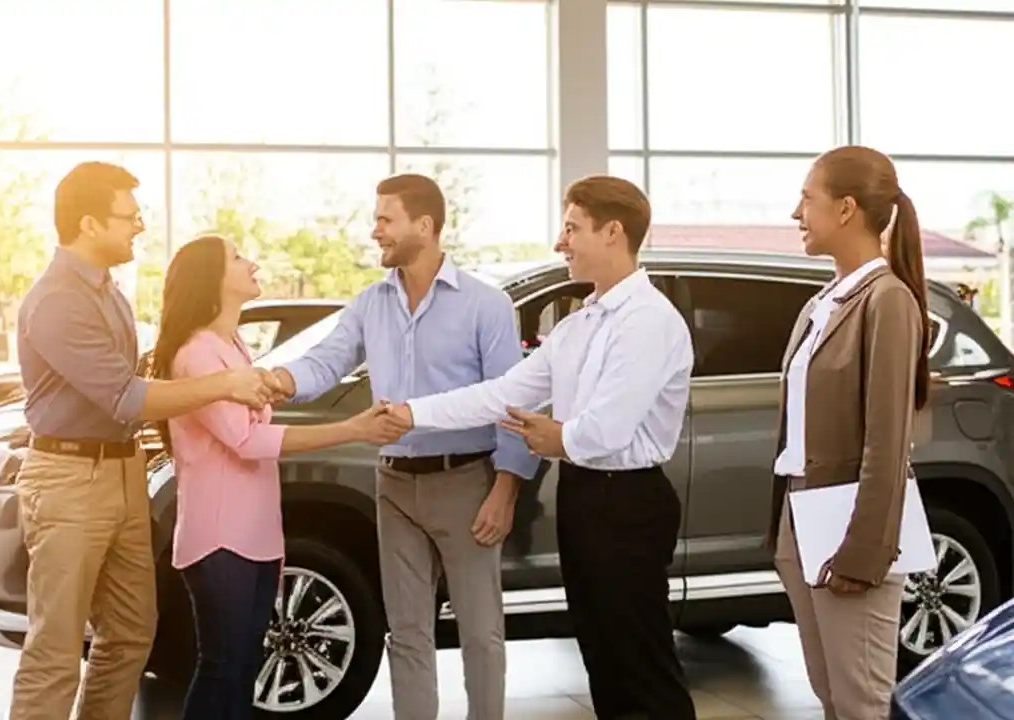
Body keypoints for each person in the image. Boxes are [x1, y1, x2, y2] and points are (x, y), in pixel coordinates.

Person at [382, 175, 698, 720]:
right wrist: (412, 413)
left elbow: (607, 431)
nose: (560, 242)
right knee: (604, 660)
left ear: (612, 232)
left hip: (628, 502)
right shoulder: (579, 326)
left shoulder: (649, 321)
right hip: (583, 496)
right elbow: (501, 394)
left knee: (640, 662)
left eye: (572, 228)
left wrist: (557, 437)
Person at [8, 162, 280, 720]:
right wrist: (225, 384)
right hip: (68, 481)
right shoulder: (58, 300)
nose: (139, 225)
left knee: (131, 633)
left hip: (123, 472)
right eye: (128, 216)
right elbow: (126, 397)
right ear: (88, 224)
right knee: (56, 652)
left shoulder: (110, 293)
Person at [270, 174, 539, 719]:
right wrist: (274, 380)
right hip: (394, 484)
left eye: (385, 219)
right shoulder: (371, 303)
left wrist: (506, 490)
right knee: (407, 631)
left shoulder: (485, 305)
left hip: (466, 484)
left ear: (425, 225)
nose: (375, 231)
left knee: (481, 632)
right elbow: (325, 362)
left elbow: (515, 403)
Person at [151, 235, 409, 719]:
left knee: (245, 665)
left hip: (256, 535)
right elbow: (247, 440)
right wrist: (352, 429)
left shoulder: (232, 346)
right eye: (237, 258)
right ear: (211, 279)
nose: (251, 263)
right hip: (220, 538)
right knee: (224, 665)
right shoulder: (196, 354)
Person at [770, 145, 929, 719]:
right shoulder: (823, 302)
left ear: (845, 209)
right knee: (831, 696)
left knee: (860, 703)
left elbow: (886, 443)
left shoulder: (888, 300)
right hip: (802, 518)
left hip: (848, 529)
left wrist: (864, 552)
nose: (796, 213)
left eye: (807, 199)